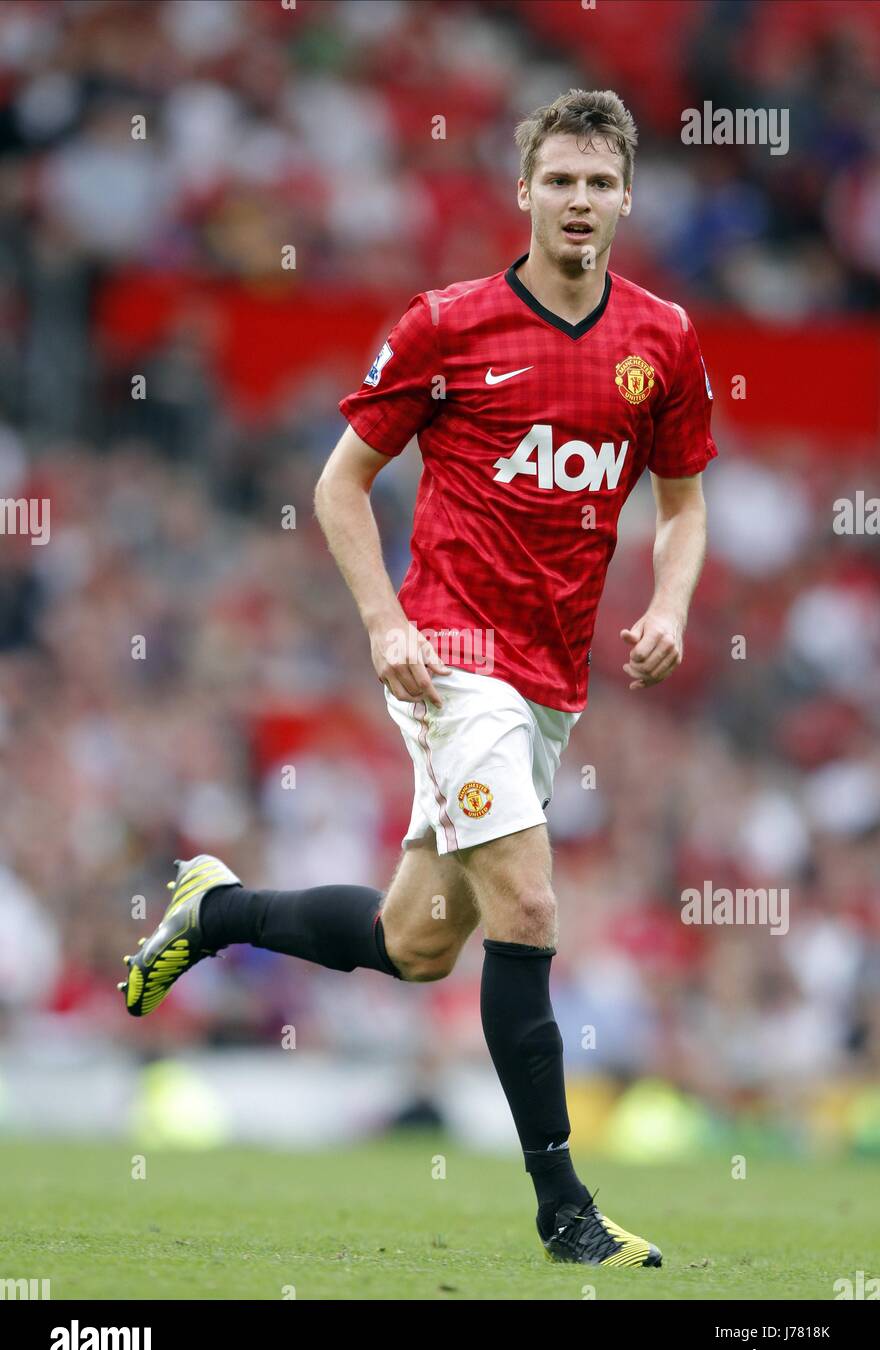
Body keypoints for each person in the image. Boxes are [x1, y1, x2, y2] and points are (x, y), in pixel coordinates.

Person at [121, 90, 716, 1268]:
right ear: (523, 191)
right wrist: (387, 622)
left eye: (599, 183)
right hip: (451, 654)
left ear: (626, 195)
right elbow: (338, 484)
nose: (579, 202)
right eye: (559, 181)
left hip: (548, 678)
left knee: (417, 942)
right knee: (531, 907)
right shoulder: (447, 324)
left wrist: (670, 602)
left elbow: (685, 502)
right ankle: (564, 1213)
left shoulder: (663, 341)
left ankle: (217, 908)